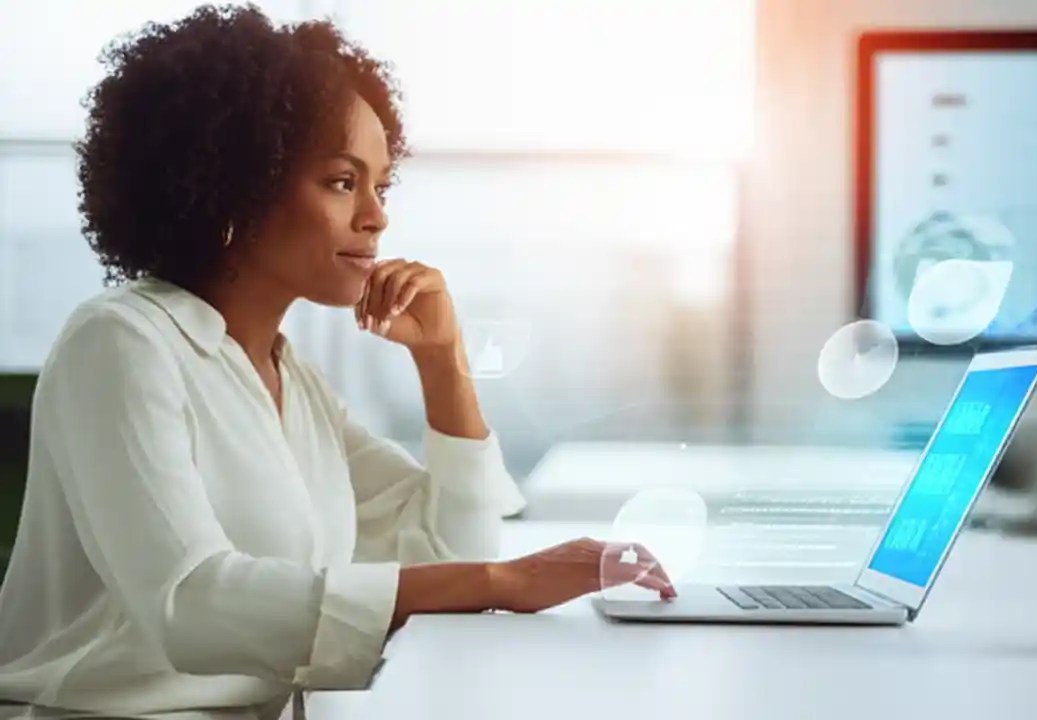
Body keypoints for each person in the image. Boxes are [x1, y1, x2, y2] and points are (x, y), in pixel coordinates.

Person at [0, 5, 673, 719]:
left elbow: (447, 550)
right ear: (236, 187)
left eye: (382, 185)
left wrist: (444, 362)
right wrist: (502, 580)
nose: (377, 216)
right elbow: (188, 602)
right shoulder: (119, 344)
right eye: (343, 182)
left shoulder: (288, 379)